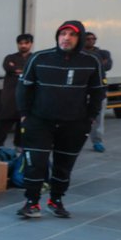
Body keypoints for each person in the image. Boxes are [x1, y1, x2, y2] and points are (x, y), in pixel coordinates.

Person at [16, 19, 105, 219]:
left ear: (80, 38)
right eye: (63, 34)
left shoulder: (91, 61)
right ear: (57, 36)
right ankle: (31, 202)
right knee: (35, 163)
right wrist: (24, 114)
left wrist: (90, 117)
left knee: (64, 165)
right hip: (39, 121)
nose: (66, 38)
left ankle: (56, 200)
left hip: (74, 123)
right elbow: (24, 87)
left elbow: (98, 92)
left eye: (72, 35)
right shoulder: (39, 58)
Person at [0, 33, 33, 151]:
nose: (23, 45)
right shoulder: (10, 57)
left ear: (31, 44)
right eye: (20, 43)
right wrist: (24, 71)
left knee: (22, 123)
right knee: (3, 121)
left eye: (26, 43)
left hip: (26, 96)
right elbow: (9, 68)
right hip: (9, 97)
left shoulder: (33, 58)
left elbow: (33, 71)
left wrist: (19, 70)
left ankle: (19, 145)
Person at [83, 32, 113, 152]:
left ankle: (97, 141)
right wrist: (99, 63)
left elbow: (107, 65)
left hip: (98, 90)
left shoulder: (103, 53)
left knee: (98, 118)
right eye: (88, 39)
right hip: (81, 91)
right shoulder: (78, 53)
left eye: (93, 38)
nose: (91, 40)